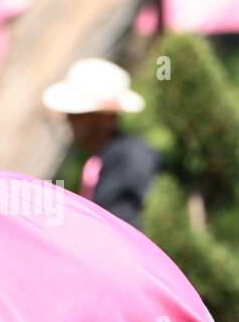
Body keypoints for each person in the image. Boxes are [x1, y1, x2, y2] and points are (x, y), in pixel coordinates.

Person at [42, 58, 161, 231]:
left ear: (103, 118)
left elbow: (127, 228)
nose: (68, 120)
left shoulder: (132, 159)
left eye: (76, 115)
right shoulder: (106, 160)